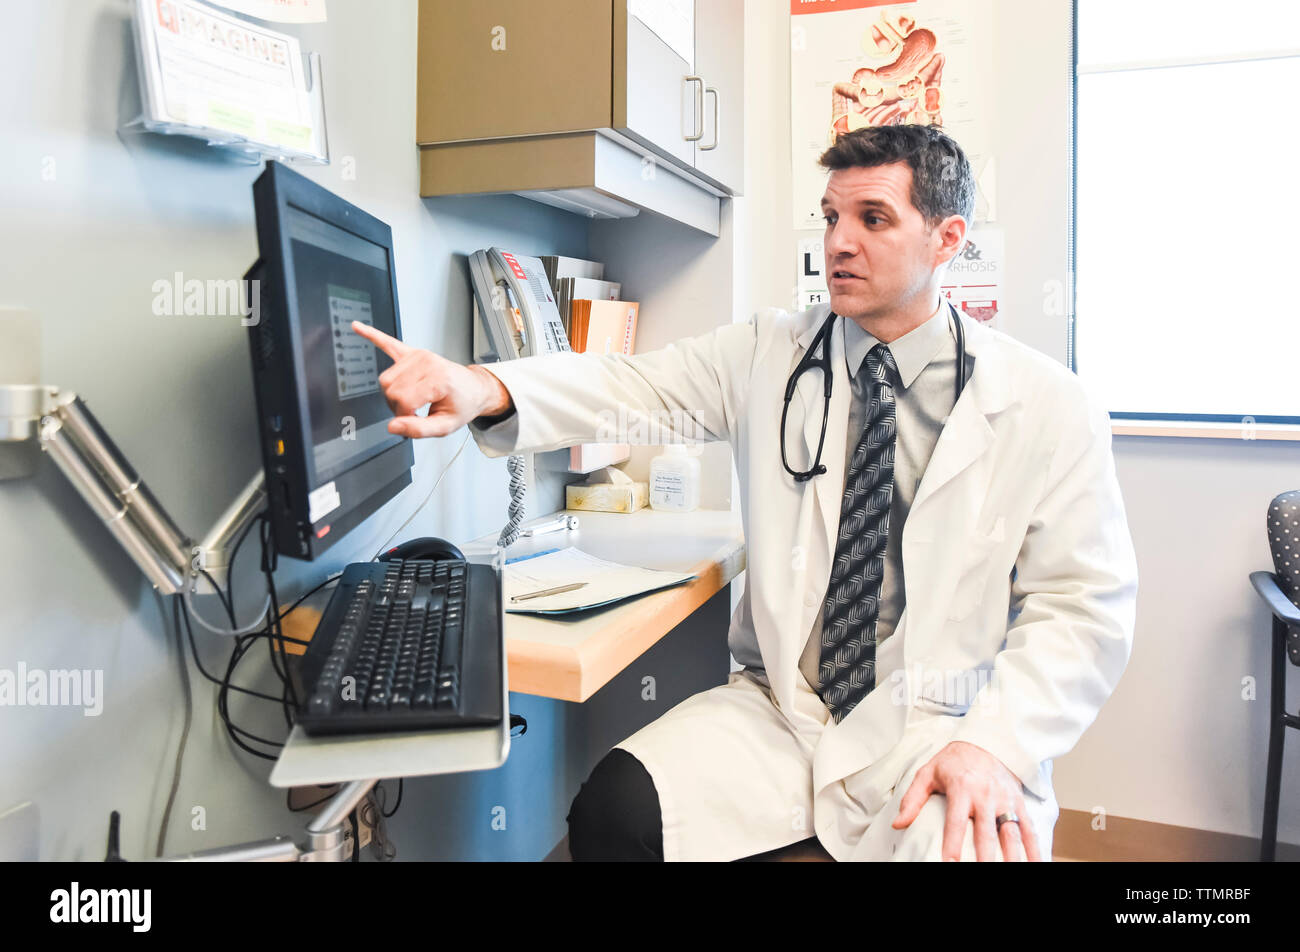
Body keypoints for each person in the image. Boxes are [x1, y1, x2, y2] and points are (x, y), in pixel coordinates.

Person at [351, 125, 1138, 862]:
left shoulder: (1047, 405)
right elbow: (630, 385)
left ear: (947, 239)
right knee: (613, 814)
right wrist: (483, 384)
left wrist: (994, 743)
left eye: (873, 218)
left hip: (942, 723)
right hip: (781, 712)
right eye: (831, 217)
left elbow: (1082, 605)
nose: (839, 242)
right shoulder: (770, 351)